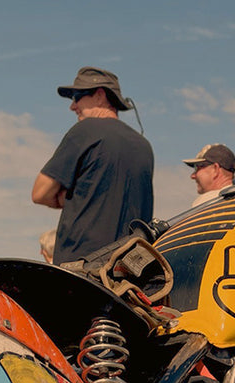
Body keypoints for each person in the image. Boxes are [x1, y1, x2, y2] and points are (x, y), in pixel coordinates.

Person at [31, 67, 154, 266]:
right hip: (130, 272)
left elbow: (39, 193)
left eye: (77, 97)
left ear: (99, 95)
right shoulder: (144, 146)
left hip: (83, 268)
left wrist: (69, 195)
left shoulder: (85, 131)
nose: (72, 106)